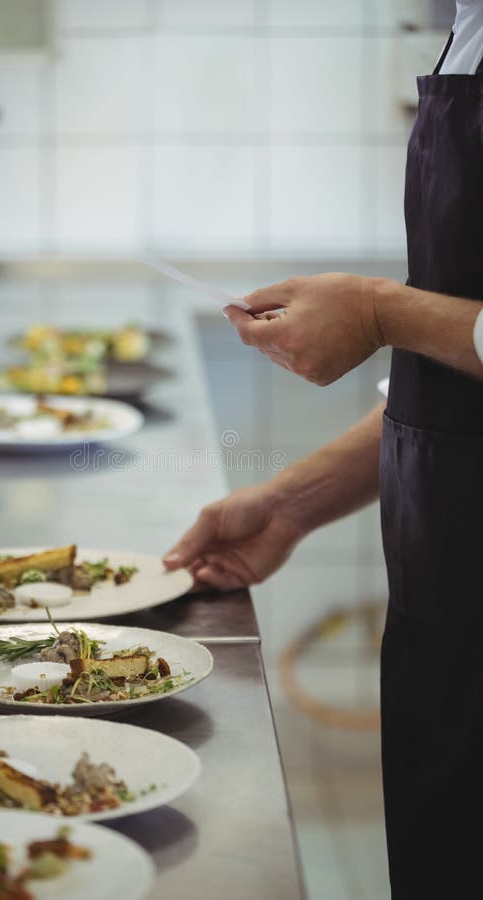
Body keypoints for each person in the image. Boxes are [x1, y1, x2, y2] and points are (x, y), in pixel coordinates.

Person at [164, 6, 483, 898]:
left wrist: (386, 312)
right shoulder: (466, 28)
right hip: (449, 609)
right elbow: (461, 380)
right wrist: (294, 502)